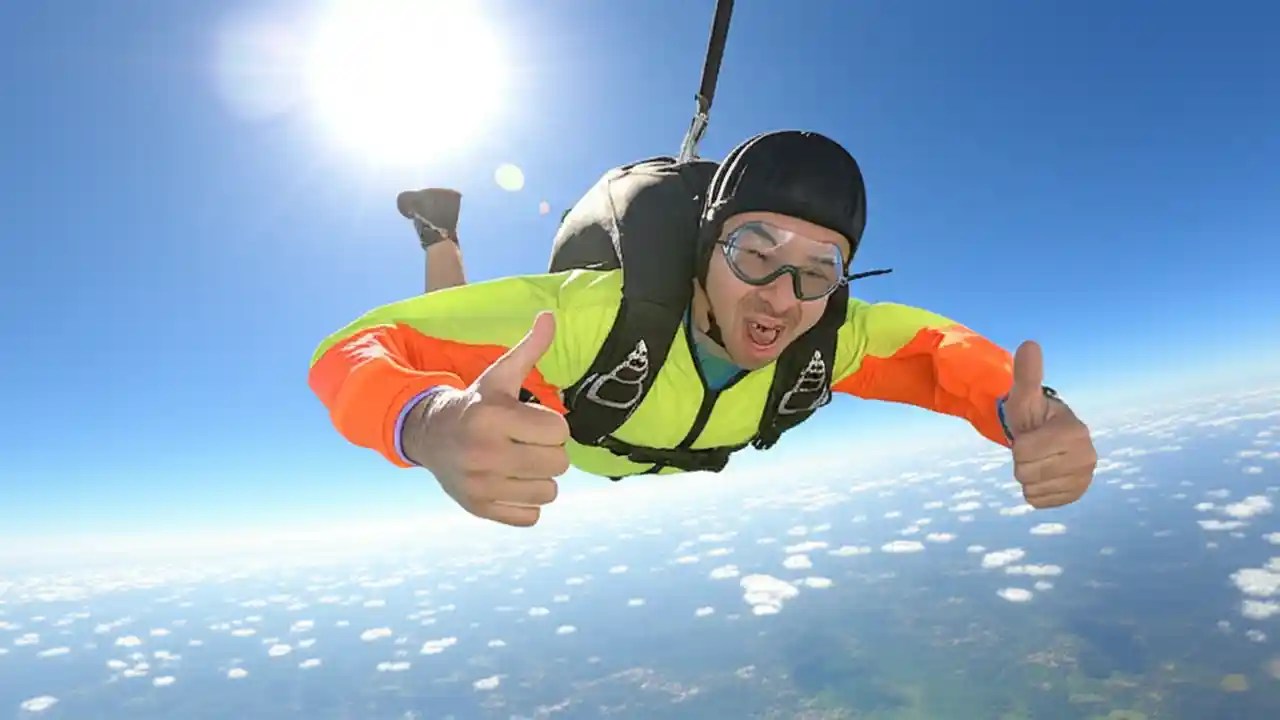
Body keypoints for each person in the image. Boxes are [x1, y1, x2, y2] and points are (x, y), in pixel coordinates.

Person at [308, 130, 1098, 527]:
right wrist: (427, 421)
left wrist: (1028, 413)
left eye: (819, 268)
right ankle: (437, 232)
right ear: (703, 251)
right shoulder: (592, 318)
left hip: (614, 441)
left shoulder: (830, 338)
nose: (781, 298)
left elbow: (937, 356)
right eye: (754, 251)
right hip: (564, 408)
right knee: (470, 358)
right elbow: (355, 349)